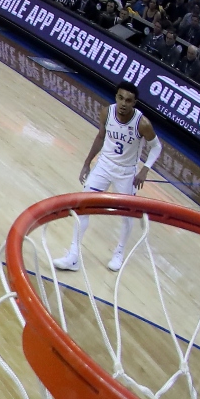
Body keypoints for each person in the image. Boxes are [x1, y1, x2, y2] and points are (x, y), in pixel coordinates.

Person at [53, 82, 161, 272]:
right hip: (104, 166)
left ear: (134, 103)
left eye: (128, 100)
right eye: (120, 98)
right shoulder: (107, 112)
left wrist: (145, 169)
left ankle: (119, 253)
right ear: (116, 97)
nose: (123, 103)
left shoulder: (142, 123)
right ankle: (73, 256)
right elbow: (101, 137)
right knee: (83, 207)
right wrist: (87, 163)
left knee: (126, 216)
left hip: (127, 172)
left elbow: (157, 147)